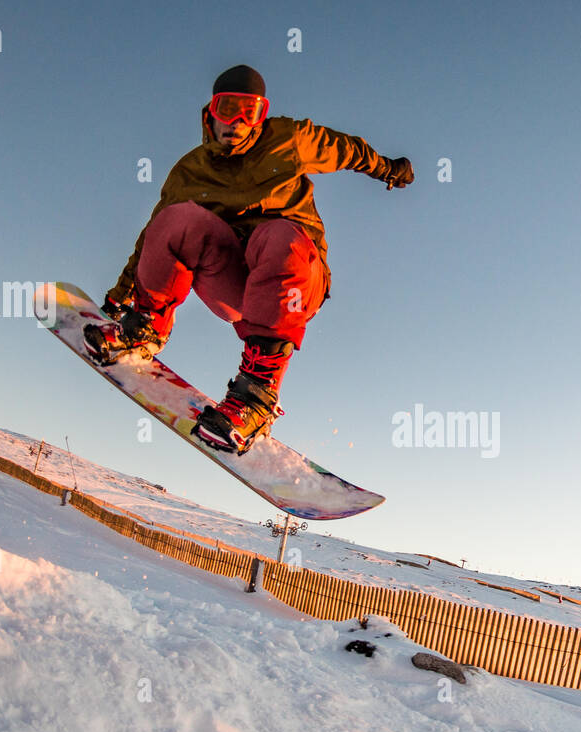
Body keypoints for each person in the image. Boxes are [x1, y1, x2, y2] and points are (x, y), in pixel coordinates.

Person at [85, 64, 413, 453]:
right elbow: (154, 235)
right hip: (236, 284)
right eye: (229, 108)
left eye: (250, 111)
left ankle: (256, 395)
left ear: (262, 114)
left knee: (277, 235)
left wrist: (388, 169)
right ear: (210, 113)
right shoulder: (190, 170)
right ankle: (145, 328)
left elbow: (348, 149)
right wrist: (124, 293)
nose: (238, 122)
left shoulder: (288, 139)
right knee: (178, 218)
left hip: (294, 279)